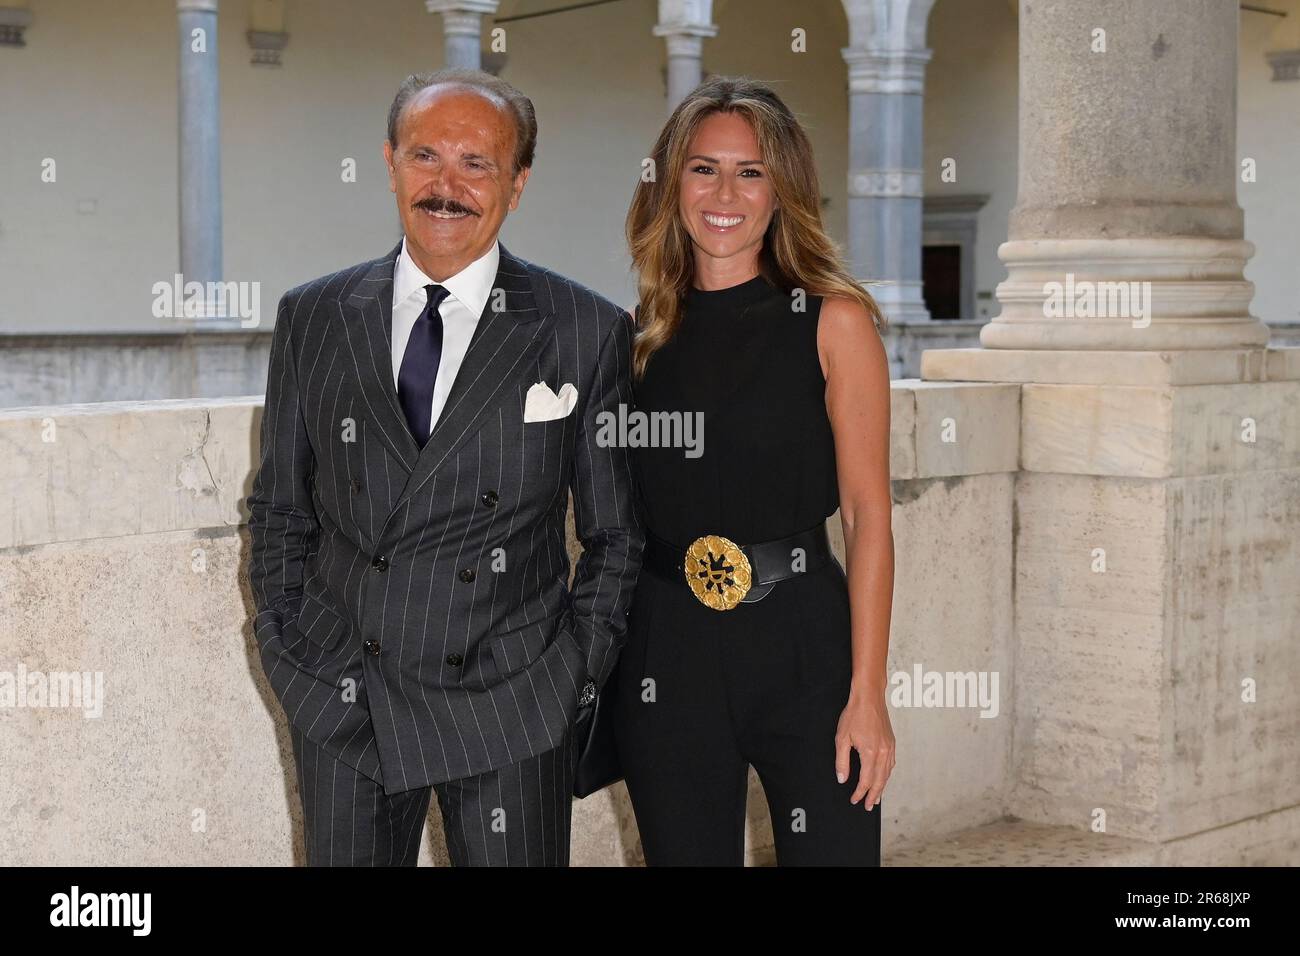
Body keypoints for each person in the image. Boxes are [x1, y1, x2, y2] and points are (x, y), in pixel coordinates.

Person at [246, 68, 642, 866]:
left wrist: (565, 678)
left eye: (476, 163)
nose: (446, 185)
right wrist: (293, 650)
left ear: (517, 184)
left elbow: (617, 538)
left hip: (511, 703)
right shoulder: (314, 316)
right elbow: (280, 507)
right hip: (348, 694)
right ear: (390, 162)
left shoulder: (584, 330)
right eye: (426, 156)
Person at [613, 76, 896, 866]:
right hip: (667, 655)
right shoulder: (639, 337)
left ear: (783, 190)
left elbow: (869, 517)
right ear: (672, 184)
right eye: (703, 168)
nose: (724, 192)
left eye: (751, 171)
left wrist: (867, 694)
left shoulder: (834, 322)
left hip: (804, 646)